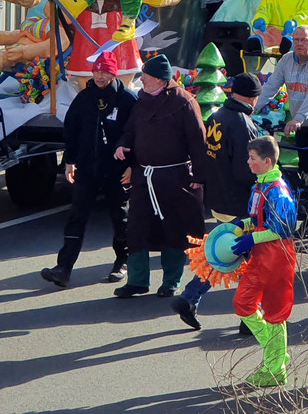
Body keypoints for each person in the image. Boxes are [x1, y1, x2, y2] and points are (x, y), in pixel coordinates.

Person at [112, 55, 208, 298]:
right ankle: (137, 281)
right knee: (136, 228)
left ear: (159, 79)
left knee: (173, 230)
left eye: (145, 75)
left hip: (175, 177)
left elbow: (198, 140)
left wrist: (199, 174)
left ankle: (171, 282)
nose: (141, 78)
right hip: (145, 177)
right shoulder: (141, 100)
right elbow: (130, 131)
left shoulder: (184, 102)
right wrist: (123, 145)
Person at [172, 72, 261, 331]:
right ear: (253, 97)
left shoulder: (217, 117)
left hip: (219, 199)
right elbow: (247, 168)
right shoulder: (242, 123)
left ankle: (190, 297)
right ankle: (251, 317)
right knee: (251, 260)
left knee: (224, 253)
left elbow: (207, 155)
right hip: (239, 202)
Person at [40, 51, 135, 288]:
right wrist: (69, 161)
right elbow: (71, 131)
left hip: (117, 170)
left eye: (105, 72)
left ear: (114, 74)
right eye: (97, 71)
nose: (100, 76)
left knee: (120, 216)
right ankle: (63, 268)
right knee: (76, 217)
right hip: (88, 168)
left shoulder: (128, 101)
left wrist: (134, 166)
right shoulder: (84, 99)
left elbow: (139, 136)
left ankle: (122, 262)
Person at [232, 134, 299, 387]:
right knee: (243, 303)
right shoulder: (260, 185)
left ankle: (275, 368)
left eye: (252, 158)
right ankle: (276, 353)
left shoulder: (279, 191)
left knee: (275, 313)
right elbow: (260, 220)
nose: (248, 162)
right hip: (262, 255)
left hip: (278, 257)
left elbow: (282, 229)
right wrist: (244, 224)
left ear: (267, 161)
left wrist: (252, 238)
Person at [254, 25, 308, 232]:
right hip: (302, 125)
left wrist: (298, 118)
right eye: (296, 39)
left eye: (304, 40)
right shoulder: (287, 60)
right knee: (303, 169)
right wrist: (250, 109)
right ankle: (305, 210)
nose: (299, 44)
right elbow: (271, 86)